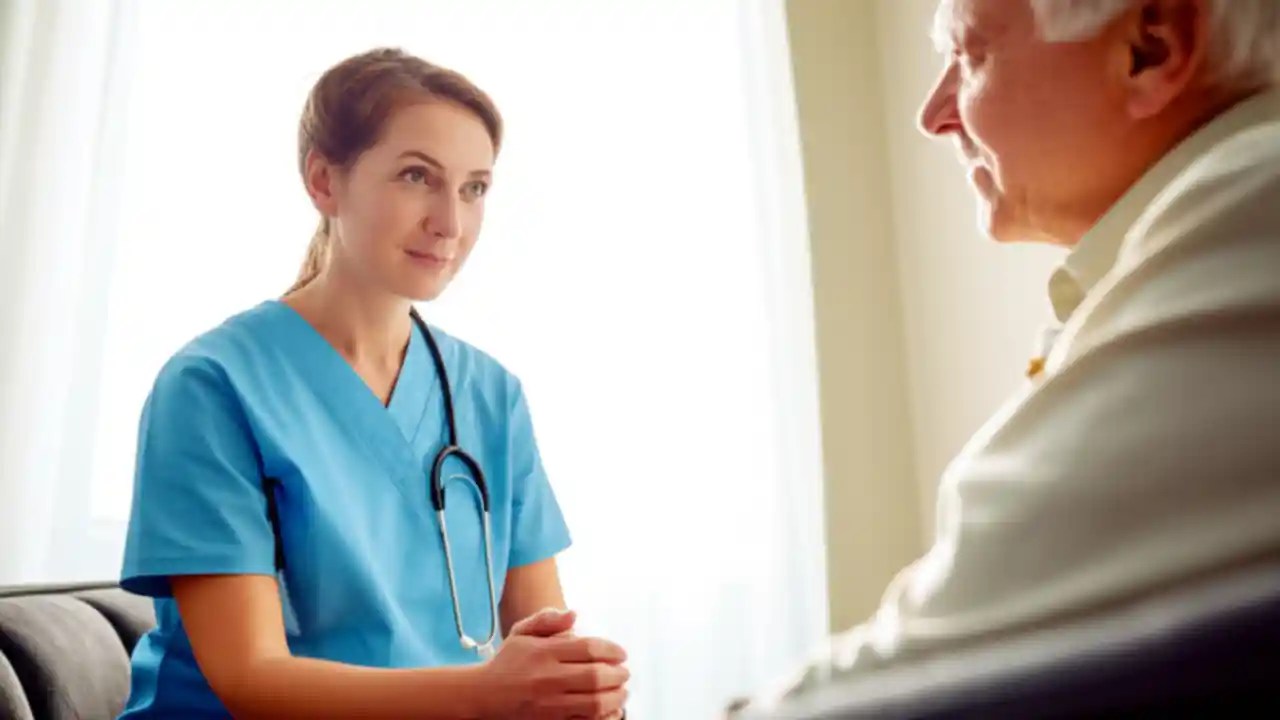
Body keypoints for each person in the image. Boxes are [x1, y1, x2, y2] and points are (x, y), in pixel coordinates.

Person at [733, 0, 1280, 713]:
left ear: (1152, 45)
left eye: (969, 55)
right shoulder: (1176, 253)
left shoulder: (1252, 209)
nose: (934, 115)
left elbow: (941, 656)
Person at [117, 48, 629, 719]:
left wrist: (575, 690)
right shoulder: (213, 387)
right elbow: (250, 678)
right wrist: (489, 693)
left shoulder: (490, 397)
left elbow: (543, 648)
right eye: (418, 177)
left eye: (474, 188)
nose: (451, 222)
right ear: (324, 182)